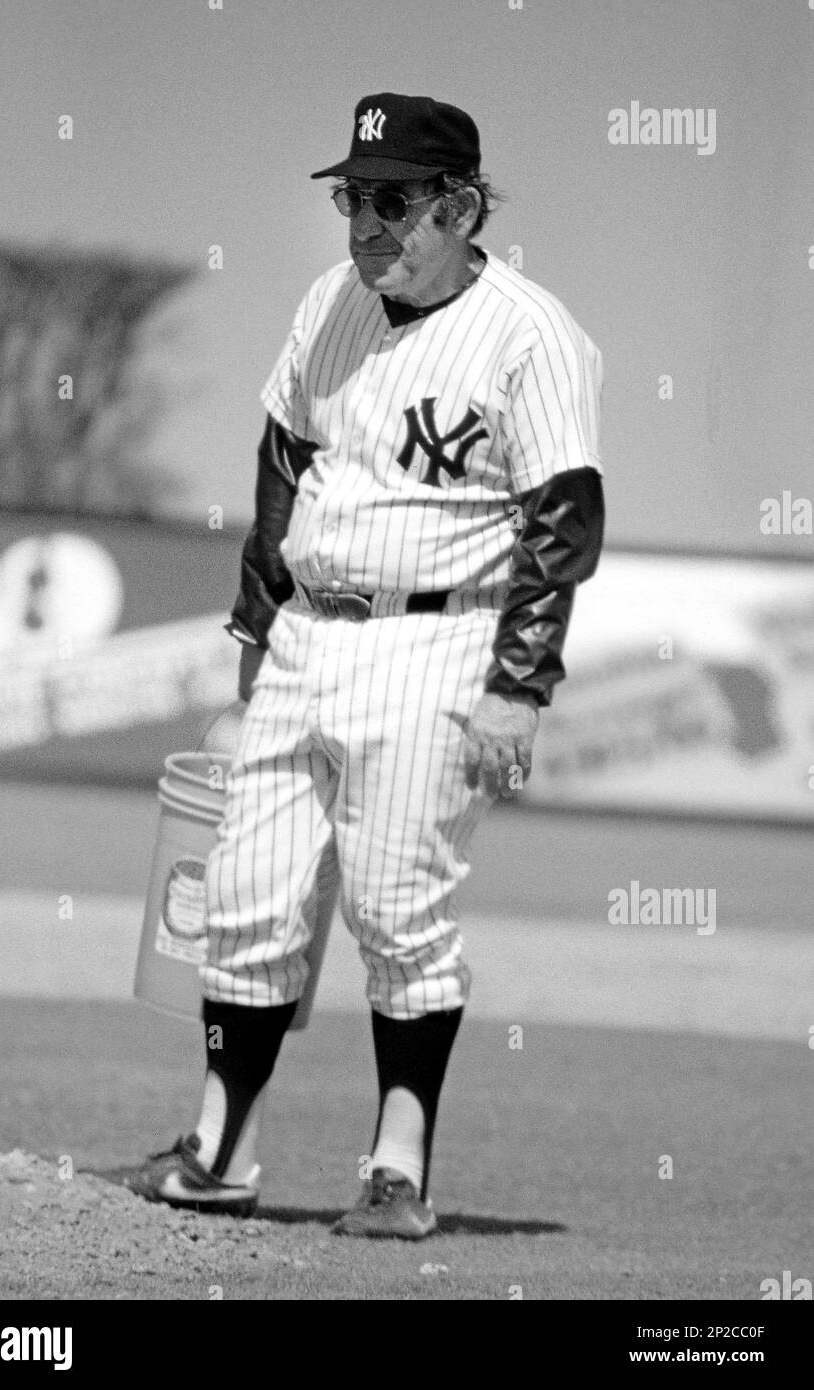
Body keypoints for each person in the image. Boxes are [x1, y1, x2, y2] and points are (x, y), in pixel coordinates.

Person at [128, 92, 605, 1239]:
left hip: (437, 641)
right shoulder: (328, 304)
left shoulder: (530, 333)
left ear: (456, 205)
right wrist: (254, 637)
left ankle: (397, 1167)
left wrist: (517, 685)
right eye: (351, 196)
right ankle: (219, 1148)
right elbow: (282, 465)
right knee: (245, 901)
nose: (362, 223)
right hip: (305, 634)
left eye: (389, 200)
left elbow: (561, 520)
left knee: (398, 914)